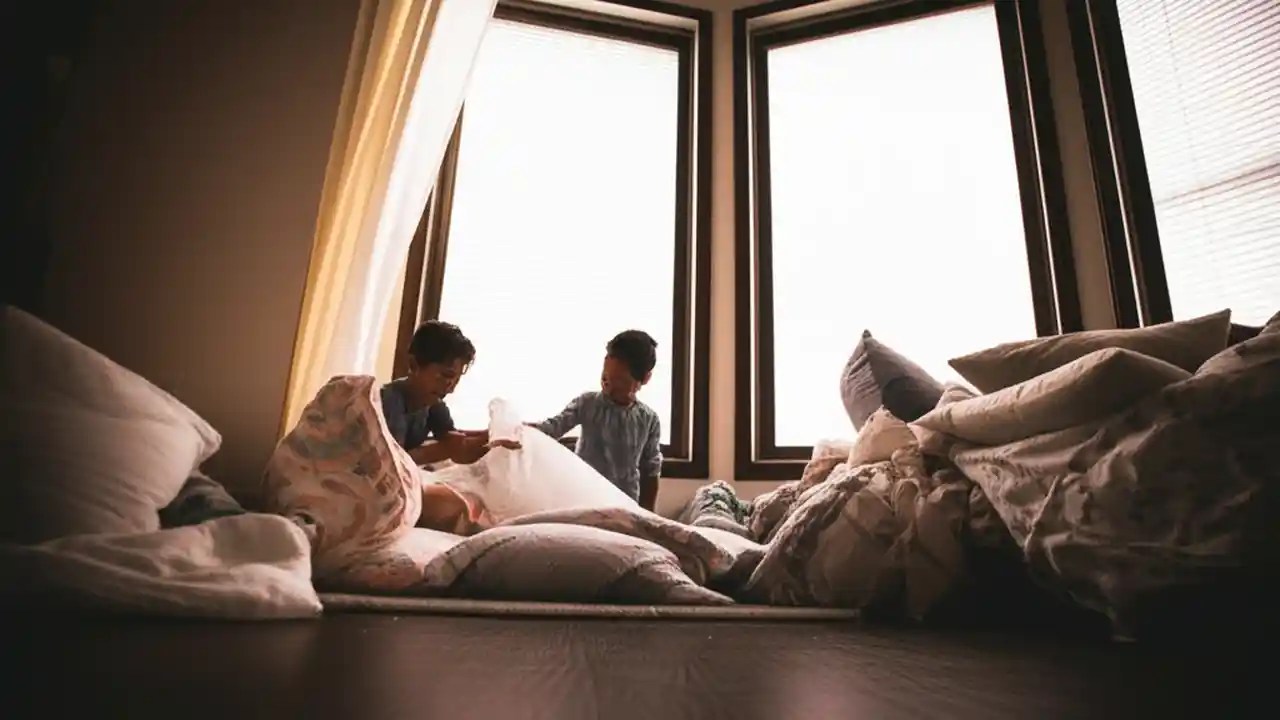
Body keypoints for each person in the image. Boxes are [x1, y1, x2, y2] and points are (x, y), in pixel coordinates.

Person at [529, 330, 662, 510]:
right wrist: (521, 431)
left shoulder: (649, 420)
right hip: (582, 499)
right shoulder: (587, 404)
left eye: (619, 380)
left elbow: (651, 470)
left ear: (644, 379)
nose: (608, 385)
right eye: (605, 377)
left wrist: (649, 517)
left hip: (624, 505)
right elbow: (553, 427)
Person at [380, 320, 518, 468]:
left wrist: (494, 435)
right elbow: (391, 462)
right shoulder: (389, 401)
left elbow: (459, 450)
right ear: (414, 365)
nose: (450, 389)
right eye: (446, 375)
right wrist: (446, 449)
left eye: (456, 380)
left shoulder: (433, 404)